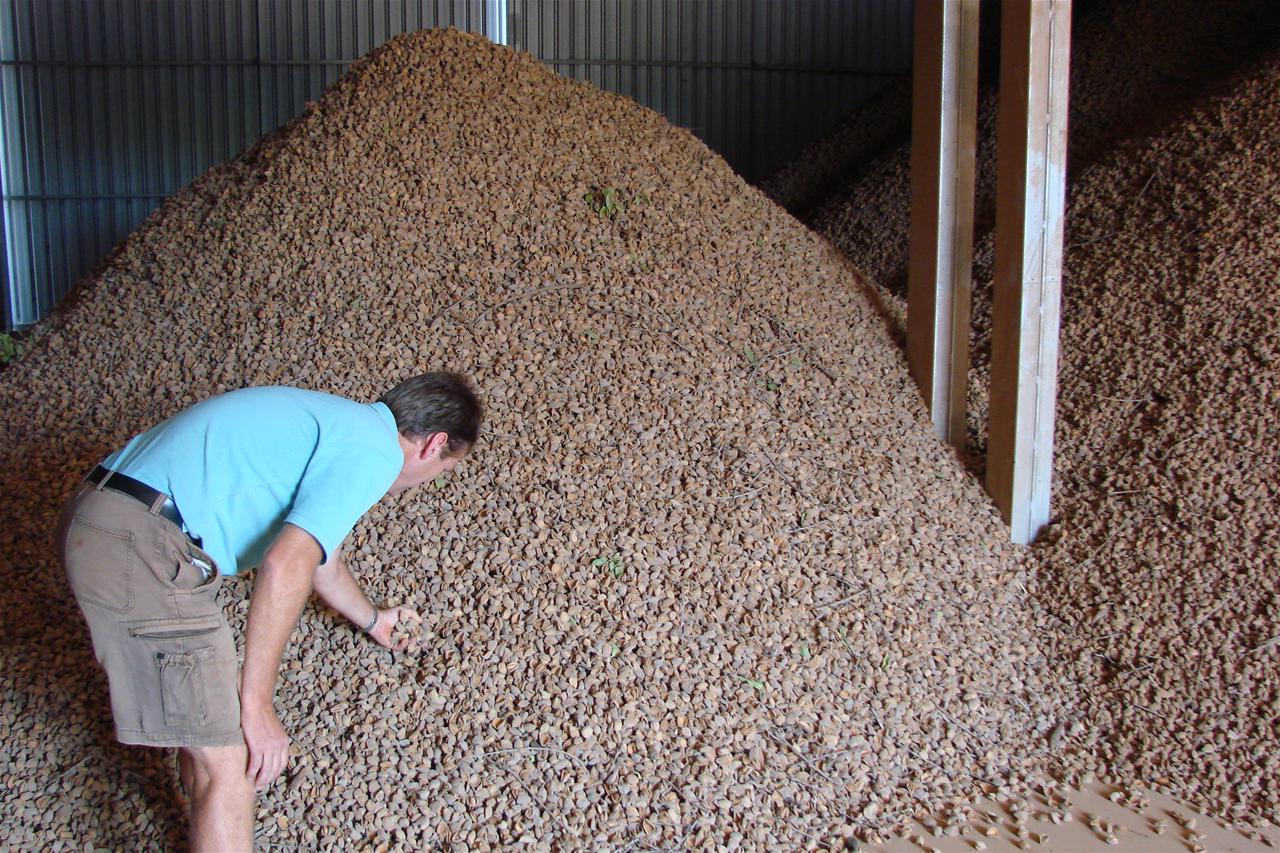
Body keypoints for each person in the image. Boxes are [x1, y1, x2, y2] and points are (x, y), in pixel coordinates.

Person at [59, 372, 482, 852]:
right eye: (446, 469)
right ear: (434, 445)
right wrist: (256, 706)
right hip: (143, 542)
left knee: (208, 744)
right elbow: (286, 563)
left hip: (105, 515)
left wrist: (373, 619)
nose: (430, 481)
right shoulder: (376, 452)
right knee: (234, 762)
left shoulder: (343, 426)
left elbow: (322, 561)